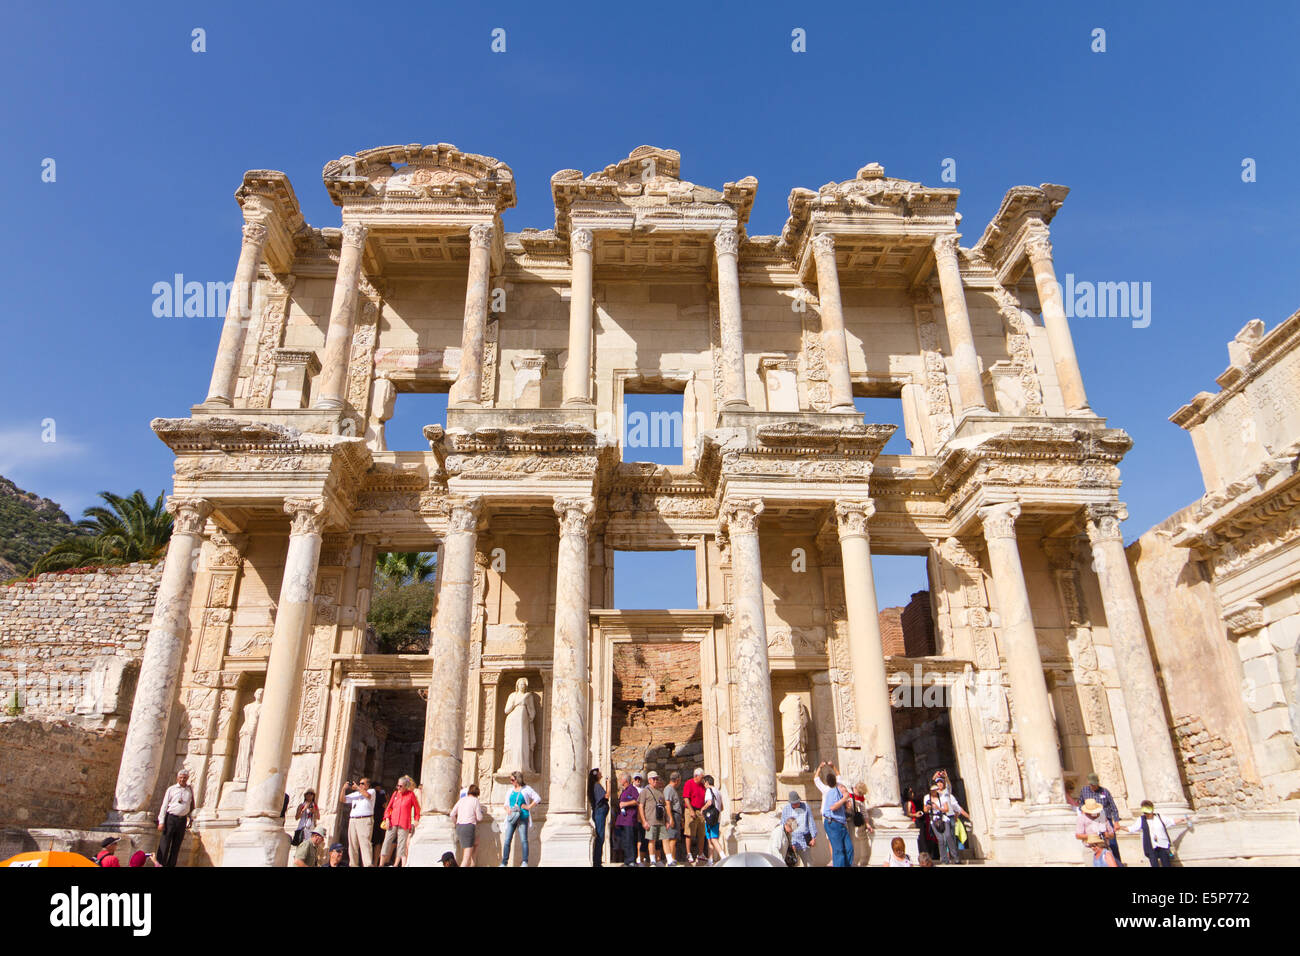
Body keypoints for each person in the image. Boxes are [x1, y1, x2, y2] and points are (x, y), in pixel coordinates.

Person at [1126, 800, 1188, 867]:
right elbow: (1131, 829)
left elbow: (1171, 821)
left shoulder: (1159, 817)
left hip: (1163, 845)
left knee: (1166, 864)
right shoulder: (1141, 819)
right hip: (1151, 847)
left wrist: (1183, 819)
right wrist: (1120, 827)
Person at [814, 762, 853, 867]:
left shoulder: (836, 788)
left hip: (840, 820)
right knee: (838, 849)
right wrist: (832, 767)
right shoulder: (829, 791)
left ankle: (838, 862)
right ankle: (834, 861)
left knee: (848, 848)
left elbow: (816, 779)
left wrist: (820, 767)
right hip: (831, 820)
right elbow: (832, 807)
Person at [1079, 773, 1123, 865]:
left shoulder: (1105, 791)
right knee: (1095, 845)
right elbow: (1081, 804)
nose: (1094, 786)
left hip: (1105, 819)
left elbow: (1113, 807)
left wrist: (1116, 822)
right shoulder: (1084, 791)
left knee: (1112, 844)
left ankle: (1116, 863)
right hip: (1092, 821)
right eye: (1092, 785)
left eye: (1095, 784)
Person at [156, 769, 195, 867]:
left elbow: (191, 805)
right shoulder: (171, 789)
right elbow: (164, 806)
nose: (182, 779)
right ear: (177, 778)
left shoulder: (190, 790)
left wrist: (190, 818)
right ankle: (160, 865)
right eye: (181, 777)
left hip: (182, 820)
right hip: (171, 819)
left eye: (184, 778)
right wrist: (161, 821)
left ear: (187, 778)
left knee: (176, 845)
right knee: (165, 843)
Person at [500, 771, 541, 866]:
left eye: (512, 780)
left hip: (523, 817)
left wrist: (529, 806)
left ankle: (525, 861)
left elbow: (537, 798)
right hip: (512, 817)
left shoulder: (526, 789)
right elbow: (506, 804)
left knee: (524, 839)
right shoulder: (510, 791)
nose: (511, 782)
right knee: (507, 840)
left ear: (517, 780)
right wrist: (508, 810)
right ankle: (504, 862)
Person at [380, 775, 421, 866]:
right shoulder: (395, 794)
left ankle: (397, 864)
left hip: (404, 823)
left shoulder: (411, 795)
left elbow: (417, 809)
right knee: (387, 842)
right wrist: (387, 818)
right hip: (393, 822)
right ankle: (381, 864)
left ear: (406, 786)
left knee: (401, 846)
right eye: (397, 786)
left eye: (400, 786)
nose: (398, 788)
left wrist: (416, 819)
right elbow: (388, 808)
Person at [341, 777, 376, 867]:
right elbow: (343, 800)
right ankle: (353, 864)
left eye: (362, 783)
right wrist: (343, 789)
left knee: (365, 844)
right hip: (353, 819)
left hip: (364, 819)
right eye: (359, 783)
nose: (360, 785)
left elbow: (367, 796)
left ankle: (368, 864)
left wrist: (357, 788)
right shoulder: (356, 794)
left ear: (368, 785)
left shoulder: (372, 791)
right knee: (352, 844)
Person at [638, 770, 671, 865]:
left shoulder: (660, 792)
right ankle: (652, 860)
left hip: (661, 821)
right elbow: (640, 806)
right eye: (654, 779)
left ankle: (669, 860)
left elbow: (663, 806)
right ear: (649, 780)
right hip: (650, 820)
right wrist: (644, 821)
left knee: (665, 839)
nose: (656, 780)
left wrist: (667, 820)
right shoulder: (645, 791)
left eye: (657, 779)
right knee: (651, 840)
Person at [450, 783, 484, 867]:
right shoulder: (475, 801)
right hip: (469, 827)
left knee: (476, 844)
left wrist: (456, 823)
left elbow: (452, 814)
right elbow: (479, 818)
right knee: (466, 858)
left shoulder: (461, 800)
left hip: (460, 826)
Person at [780, 791, 816, 866]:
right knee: (793, 863)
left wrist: (813, 837)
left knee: (809, 863)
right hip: (792, 841)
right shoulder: (786, 809)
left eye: (797, 802)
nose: (796, 804)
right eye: (794, 803)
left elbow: (811, 822)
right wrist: (788, 842)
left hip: (805, 840)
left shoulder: (806, 807)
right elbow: (783, 825)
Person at [1075, 797, 1115, 865]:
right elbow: (1078, 835)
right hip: (1090, 849)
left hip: (1104, 848)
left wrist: (1106, 835)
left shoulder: (1102, 818)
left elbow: (1112, 834)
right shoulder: (1082, 819)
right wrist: (1093, 836)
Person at [681, 767, 708, 864]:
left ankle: (700, 854)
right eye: (702, 777)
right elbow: (686, 798)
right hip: (690, 809)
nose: (703, 778)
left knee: (702, 833)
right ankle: (688, 853)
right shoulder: (689, 783)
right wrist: (691, 810)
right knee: (689, 833)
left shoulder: (702, 786)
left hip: (700, 811)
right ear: (696, 776)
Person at [614, 772, 639, 866]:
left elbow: (637, 801)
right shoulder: (624, 791)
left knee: (630, 840)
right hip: (622, 821)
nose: (620, 780)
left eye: (621, 778)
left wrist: (625, 804)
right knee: (625, 841)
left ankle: (632, 860)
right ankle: (627, 861)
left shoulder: (632, 789)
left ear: (625, 780)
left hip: (630, 820)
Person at [849, 781, 876, 865]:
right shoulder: (849, 794)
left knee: (854, 842)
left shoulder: (859, 799)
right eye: (860, 793)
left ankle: (855, 862)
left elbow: (864, 813)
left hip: (853, 822)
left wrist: (867, 824)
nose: (860, 795)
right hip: (849, 821)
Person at [926, 787, 955, 864]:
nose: (934, 792)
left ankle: (955, 856)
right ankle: (943, 859)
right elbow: (925, 810)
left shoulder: (942, 796)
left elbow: (946, 809)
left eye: (935, 790)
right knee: (940, 839)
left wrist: (938, 808)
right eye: (932, 790)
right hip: (934, 820)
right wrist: (928, 808)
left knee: (948, 835)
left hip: (943, 818)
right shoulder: (926, 797)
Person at [701, 775, 725, 863]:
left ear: (707, 782)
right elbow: (722, 807)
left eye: (704, 783)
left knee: (713, 839)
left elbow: (709, 802)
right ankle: (710, 860)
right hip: (716, 817)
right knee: (710, 838)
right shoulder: (718, 792)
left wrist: (702, 809)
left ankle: (723, 857)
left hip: (710, 817)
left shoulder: (708, 790)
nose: (704, 785)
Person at [588, 769, 609, 867]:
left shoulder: (594, 786)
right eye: (599, 772)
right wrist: (608, 784)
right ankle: (597, 862)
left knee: (600, 836)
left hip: (599, 812)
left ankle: (597, 860)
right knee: (600, 837)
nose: (601, 774)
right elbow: (606, 796)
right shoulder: (596, 785)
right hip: (600, 812)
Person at [663, 772, 684, 864]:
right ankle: (670, 861)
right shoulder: (668, 789)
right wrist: (670, 818)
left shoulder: (672, 789)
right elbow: (667, 804)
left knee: (674, 838)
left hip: (676, 815)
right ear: (677, 780)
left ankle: (673, 859)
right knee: (672, 838)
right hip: (673, 815)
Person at [631, 772, 648, 865]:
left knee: (642, 838)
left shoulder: (643, 790)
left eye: (639, 779)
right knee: (637, 838)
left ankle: (641, 856)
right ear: (633, 779)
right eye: (636, 779)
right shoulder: (631, 789)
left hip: (642, 816)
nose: (638, 780)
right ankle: (637, 856)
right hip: (634, 816)